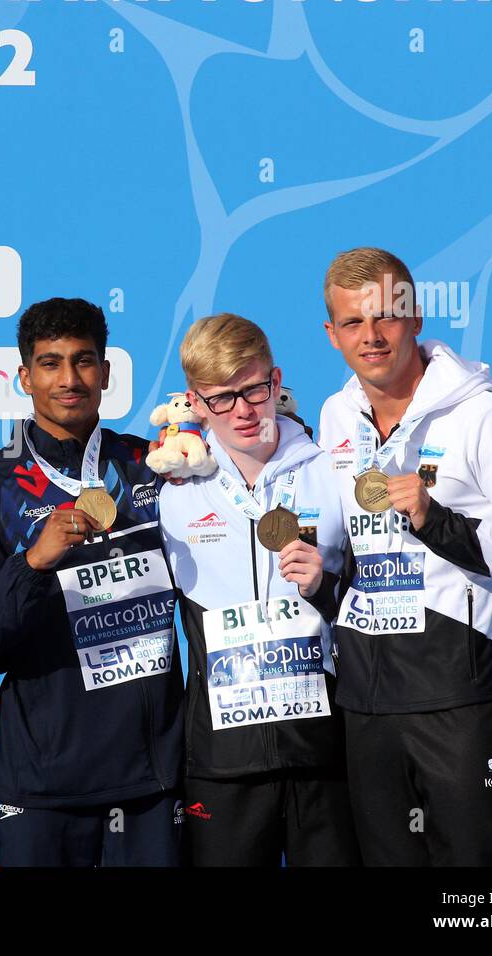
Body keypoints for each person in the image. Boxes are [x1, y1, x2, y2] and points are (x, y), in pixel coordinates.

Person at [318, 247, 492, 865]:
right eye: (353, 323)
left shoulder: (485, 417)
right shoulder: (334, 417)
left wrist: (440, 524)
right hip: (367, 703)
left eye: (385, 317)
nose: (371, 337)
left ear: (416, 317)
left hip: (461, 702)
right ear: (332, 335)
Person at [0, 297, 184, 867]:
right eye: (50, 363)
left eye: (84, 361)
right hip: (41, 782)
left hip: (151, 774)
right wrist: (31, 565)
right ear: (23, 377)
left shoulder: (156, 468)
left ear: (107, 372)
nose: (69, 379)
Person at [157, 313, 360, 866]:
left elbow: (380, 601)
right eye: (222, 398)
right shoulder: (171, 493)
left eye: (254, 390)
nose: (244, 412)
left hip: (324, 749)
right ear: (195, 403)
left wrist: (325, 586)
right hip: (223, 760)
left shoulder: (331, 472)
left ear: (276, 381)